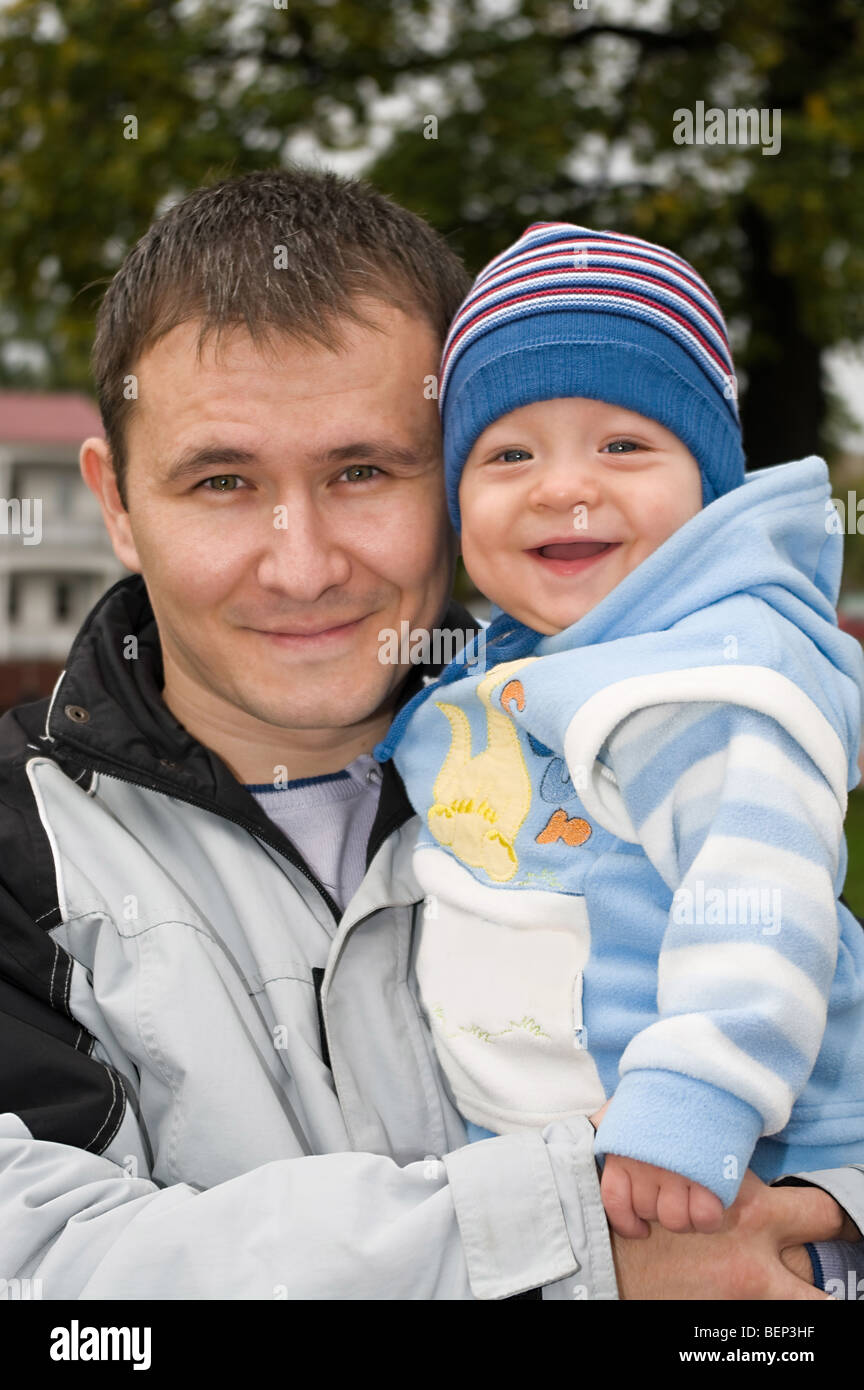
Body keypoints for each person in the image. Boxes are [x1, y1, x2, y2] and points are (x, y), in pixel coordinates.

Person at [0, 169, 858, 1300]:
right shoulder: (21, 855)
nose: (301, 562)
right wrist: (582, 1236)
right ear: (115, 501)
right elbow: (54, 1283)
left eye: (363, 471)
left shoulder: (619, 736)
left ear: (451, 474)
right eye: (221, 480)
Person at [375, 220, 864, 1272]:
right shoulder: (527, 669)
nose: (563, 486)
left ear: (708, 483)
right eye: (510, 453)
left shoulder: (712, 678)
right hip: (572, 1185)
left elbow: (759, 892)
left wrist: (693, 1098)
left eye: (623, 444)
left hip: (739, 1171)